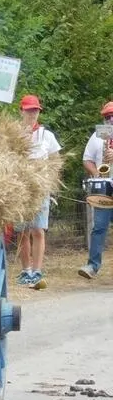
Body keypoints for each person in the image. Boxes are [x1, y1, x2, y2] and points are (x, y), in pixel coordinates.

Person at [15, 95, 61, 289]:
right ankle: (26, 270)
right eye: (29, 110)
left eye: (35, 110)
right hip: (20, 186)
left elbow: (56, 160)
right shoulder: (14, 134)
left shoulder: (46, 135)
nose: (32, 114)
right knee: (22, 231)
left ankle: (37, 269)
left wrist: (49, 179)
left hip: (40, 186)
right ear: (21, 111)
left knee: (38, 229)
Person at [79, 100, 113, 279]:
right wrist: (95, 172)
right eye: (107, 117)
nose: (110, 119)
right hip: (104, 186)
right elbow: (87, 158)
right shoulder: (98, 135)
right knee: (99, 227)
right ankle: (92, 266)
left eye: (112, 116)